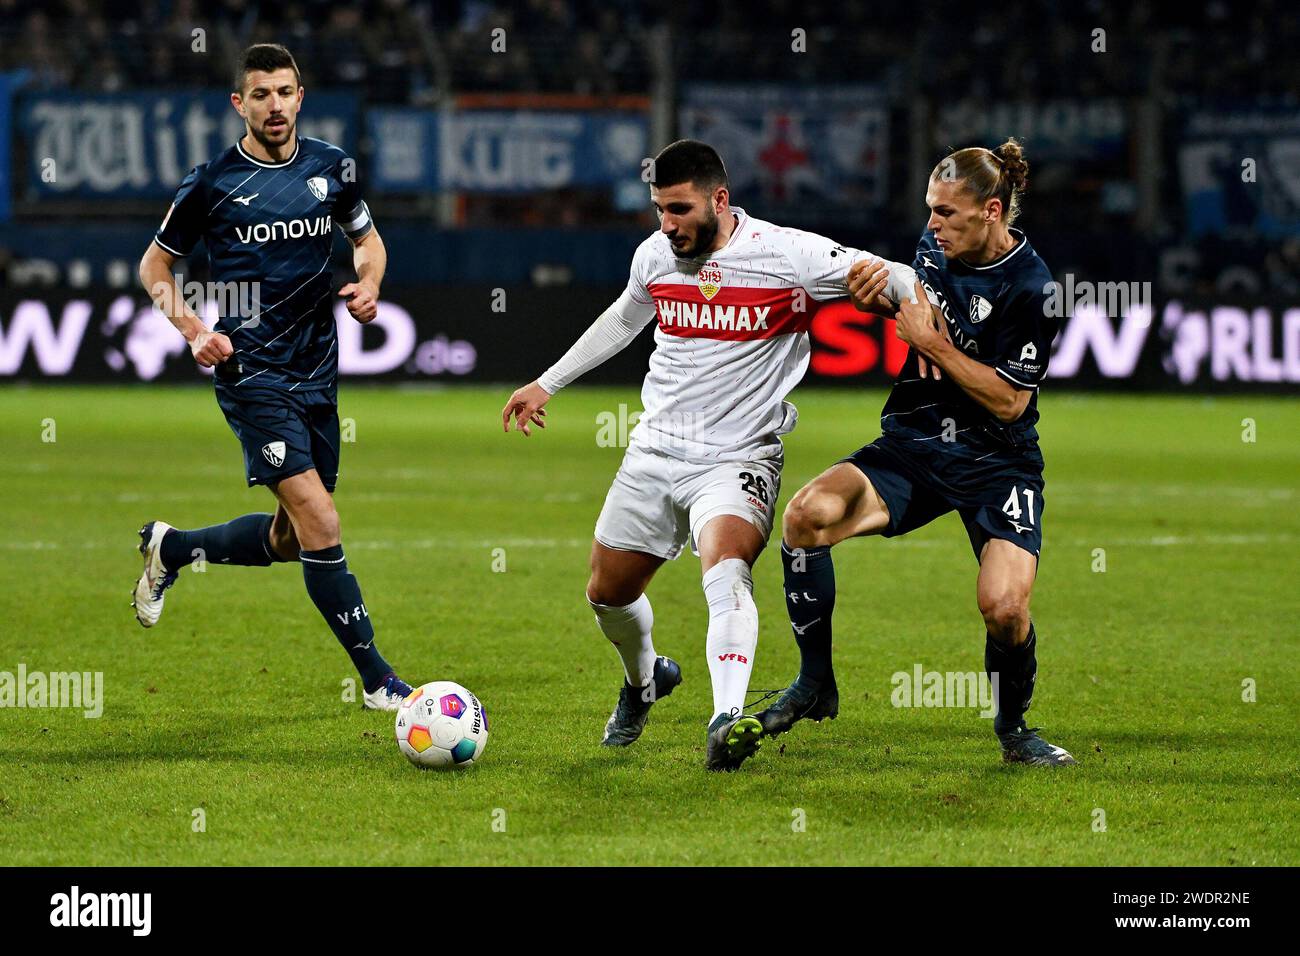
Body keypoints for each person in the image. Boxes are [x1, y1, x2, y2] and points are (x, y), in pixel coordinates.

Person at [501, 139, 917, 770]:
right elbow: (622, 320)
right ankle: (645, 682)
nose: (668, 225)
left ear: (720, 200)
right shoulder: (655, 256)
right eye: (660, 211)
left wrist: (894, 295)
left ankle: (726, 720)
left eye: (680, 210)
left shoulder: (789, 255)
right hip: (654, 450)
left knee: (726, 572)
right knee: (607, 594)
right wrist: (546, 383)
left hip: (738, 456)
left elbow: (898, 278)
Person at [758, 139, 1076, 766]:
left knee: (1005, 608)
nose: (932, 224)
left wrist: (936, 345)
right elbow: (913, 308)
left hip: (998, 461)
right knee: (805, 517)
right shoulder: (935, 247)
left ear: (991, 210)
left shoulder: (1034, 288)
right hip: (916, 441)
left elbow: (1011, 402)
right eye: (930, 209)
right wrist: (872, 297)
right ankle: (815, 683)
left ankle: (1014, 729)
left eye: (947, 213)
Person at [132, 43, 414, 711]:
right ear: (240, 104)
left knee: (293, 537)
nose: (275, 105)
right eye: (260, 95)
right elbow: (153, 269)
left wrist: (369, 284)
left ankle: (172, 549)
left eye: (284, 92)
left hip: (318, 370)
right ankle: (378, 681)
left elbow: (367, 241)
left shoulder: (331, 169)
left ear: (300, 96)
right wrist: (197, 332)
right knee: (321, 518)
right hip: (250, 371)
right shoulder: (211, 183)